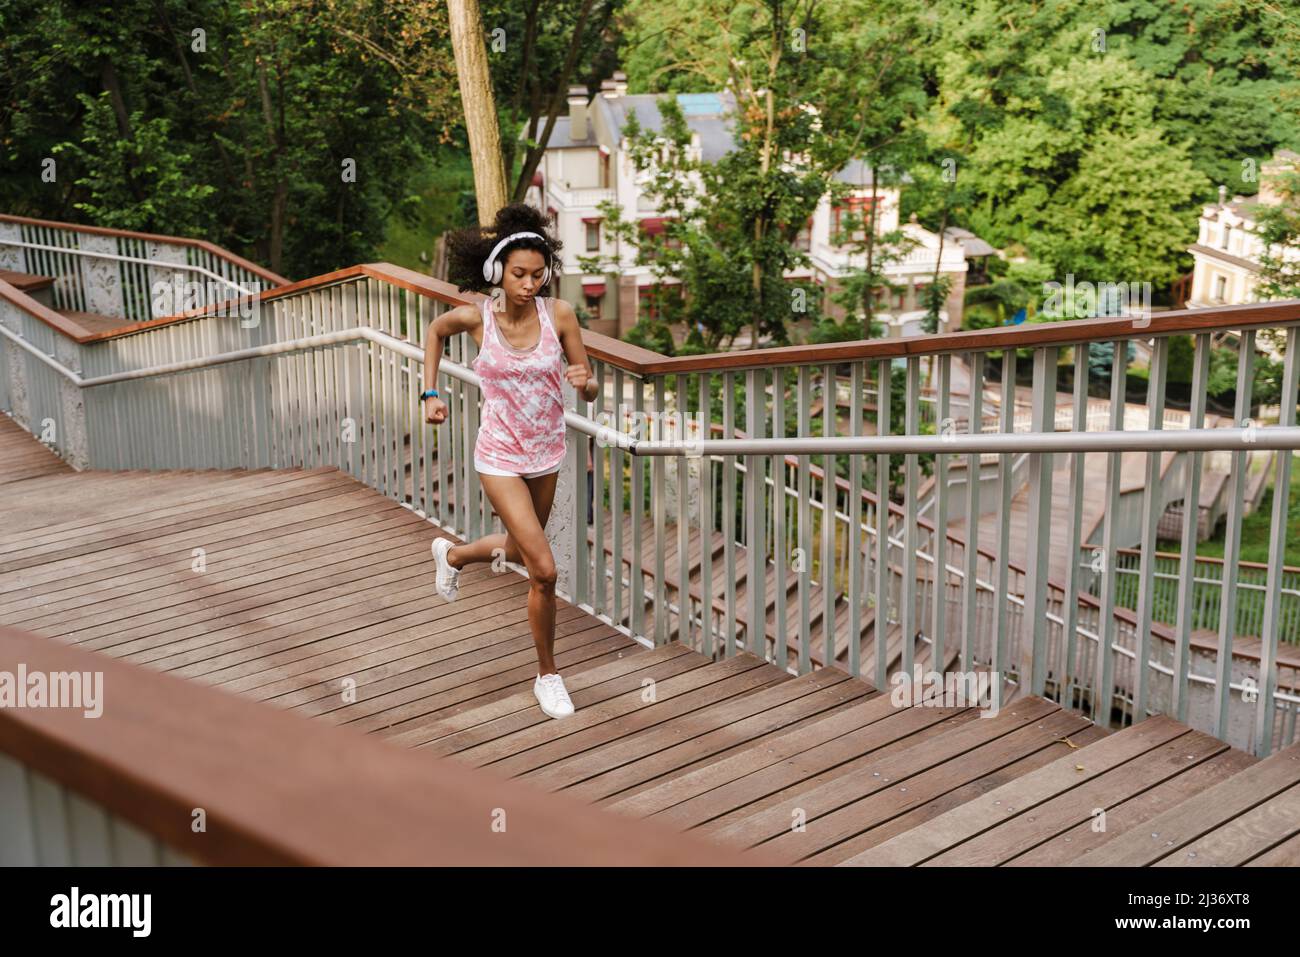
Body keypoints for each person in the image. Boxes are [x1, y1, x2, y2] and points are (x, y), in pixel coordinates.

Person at [421, 203, 599, 720]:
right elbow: (435, 331)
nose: (529, 284)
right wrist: (429, 392)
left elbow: (586, 385)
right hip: (498, 455)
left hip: (547, 453)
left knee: (522, 554)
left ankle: (453, 556)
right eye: (519, 274)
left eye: (538, 275)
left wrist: (585, 383)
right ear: (497, 270)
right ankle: (548, 676)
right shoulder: (478, 316)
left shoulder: (559, 315)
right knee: (543, 570)